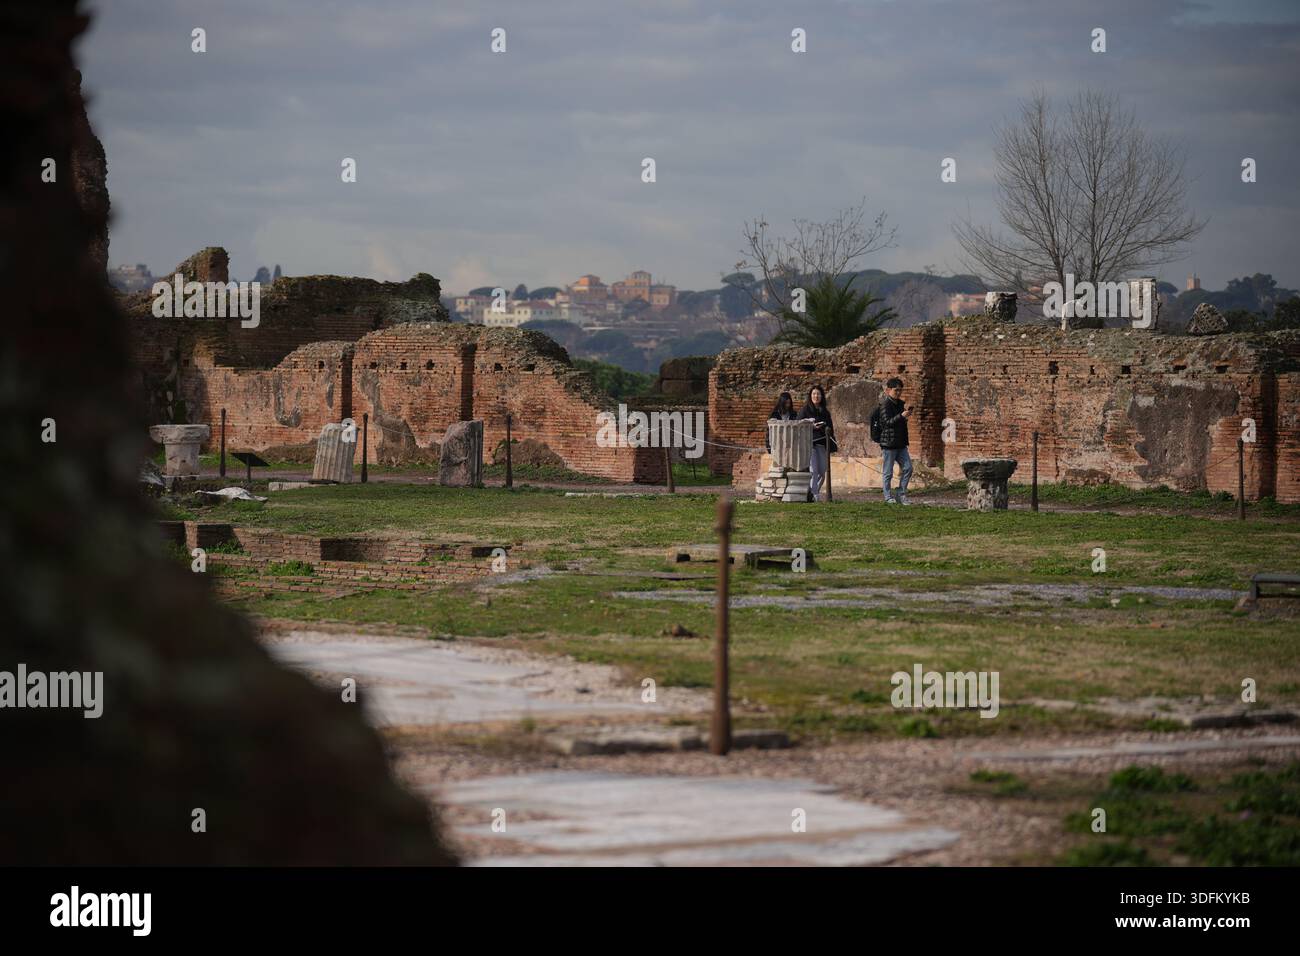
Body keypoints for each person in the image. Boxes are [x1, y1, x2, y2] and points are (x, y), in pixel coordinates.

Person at [871, 377, 913, 504]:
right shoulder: (885, 405)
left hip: (901, 443)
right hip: (889, 444)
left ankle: (901, 494)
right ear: (888, 390)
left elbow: (898, 422)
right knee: (888, 472)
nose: (898, 393)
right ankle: (888, 496)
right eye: (896, 390)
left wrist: (905, 416)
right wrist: (901, 416)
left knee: (908, 468)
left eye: (900, 390)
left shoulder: (900, 404)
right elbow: (886, 423)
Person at [798, 385, 835, 502]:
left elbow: (830, 427)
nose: (816, 396)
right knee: (813, 470)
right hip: (810, 443)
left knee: (822, 471)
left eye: (818, 394)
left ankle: (813, 491)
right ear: (810, 396)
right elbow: (798, 425)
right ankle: (814, 495)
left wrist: (824, 428)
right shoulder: (805, 410)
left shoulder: (825, 411)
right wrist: (811, 426)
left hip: (822, 443)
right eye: (814, 394)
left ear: (822, 396)